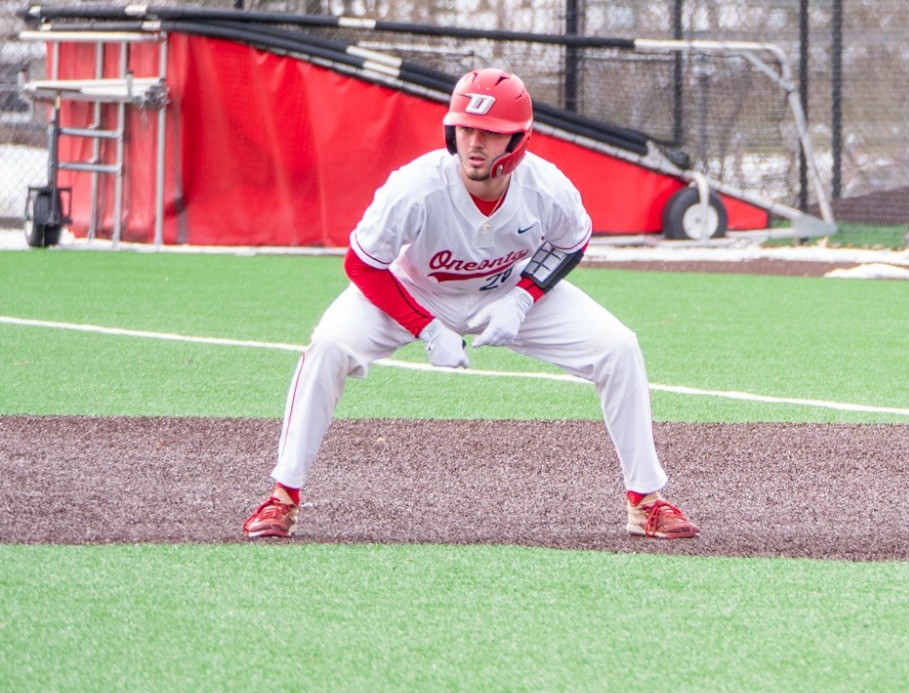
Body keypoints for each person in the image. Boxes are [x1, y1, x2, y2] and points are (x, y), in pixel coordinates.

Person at [242, 68, 699, 542]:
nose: (474, 142)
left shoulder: (545, 188)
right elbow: (362, 264)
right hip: (413, 291)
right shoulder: (416, 188)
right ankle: (283, 496)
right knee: (328, 346)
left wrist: (523, 299)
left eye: (490, 133)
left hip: (505, 290)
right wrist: (426, 328)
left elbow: (572, 243)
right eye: (465, 128)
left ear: (517, 141)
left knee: (618, 347)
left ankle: (645, 501)